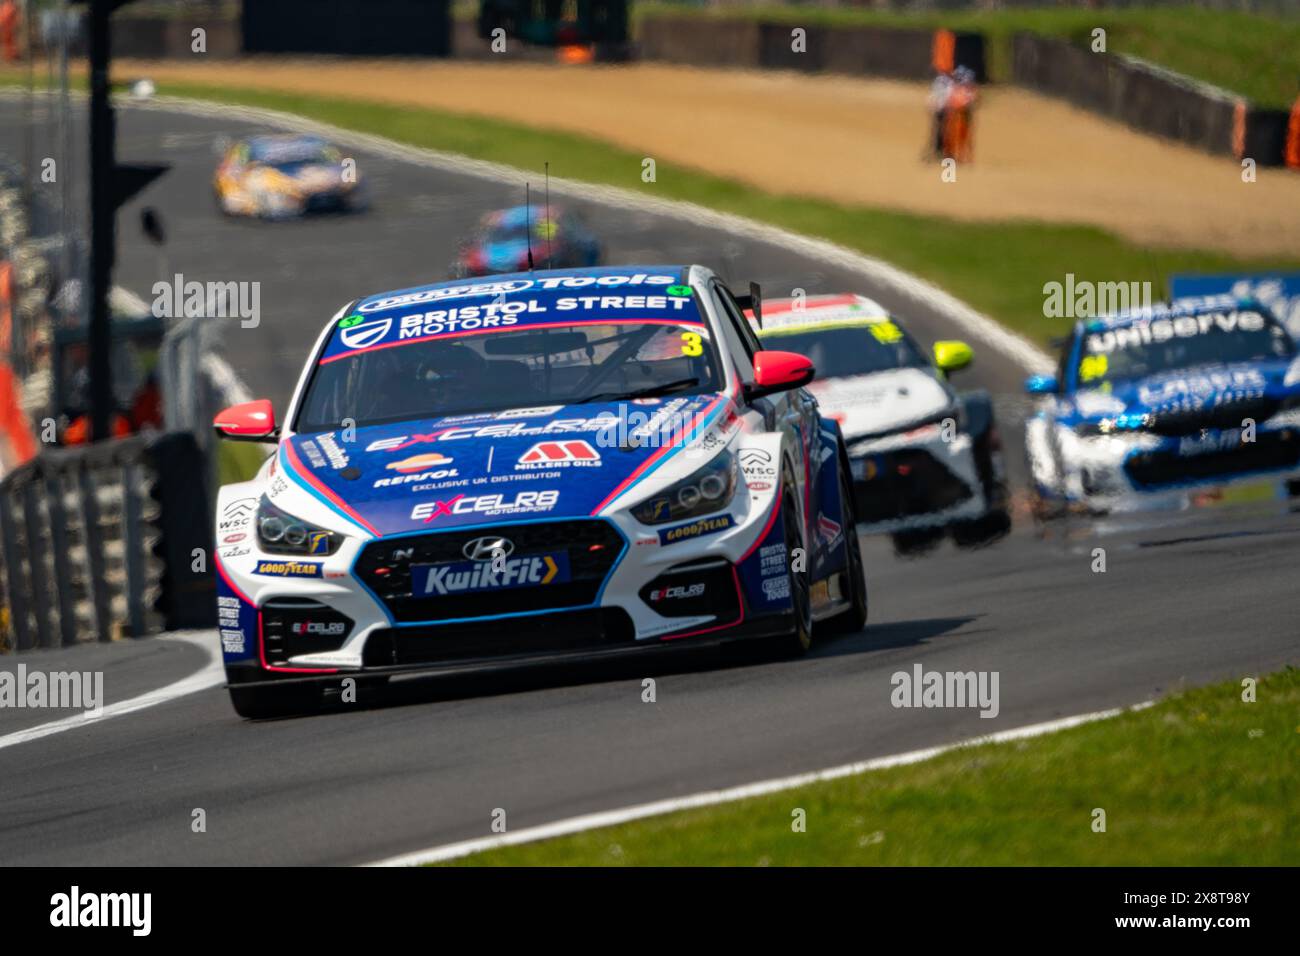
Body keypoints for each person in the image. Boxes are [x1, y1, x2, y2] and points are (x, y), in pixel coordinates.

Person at [944, 66, 979, 163]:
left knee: (964, 137)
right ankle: (954, 155)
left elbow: (973, 102)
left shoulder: (968, 91)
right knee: (953, 136)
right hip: (955, 115)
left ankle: (964, 157)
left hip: (963, 115)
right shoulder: (954, 89)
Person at [927, 69, 954, 161]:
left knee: (941, 131)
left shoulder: (941, 82)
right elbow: (946, 95)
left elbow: (934, 95)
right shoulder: (948, 82)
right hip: (943, 109)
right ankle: (940, 150)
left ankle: (941, 150)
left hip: (942, 108)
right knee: (941, 131)